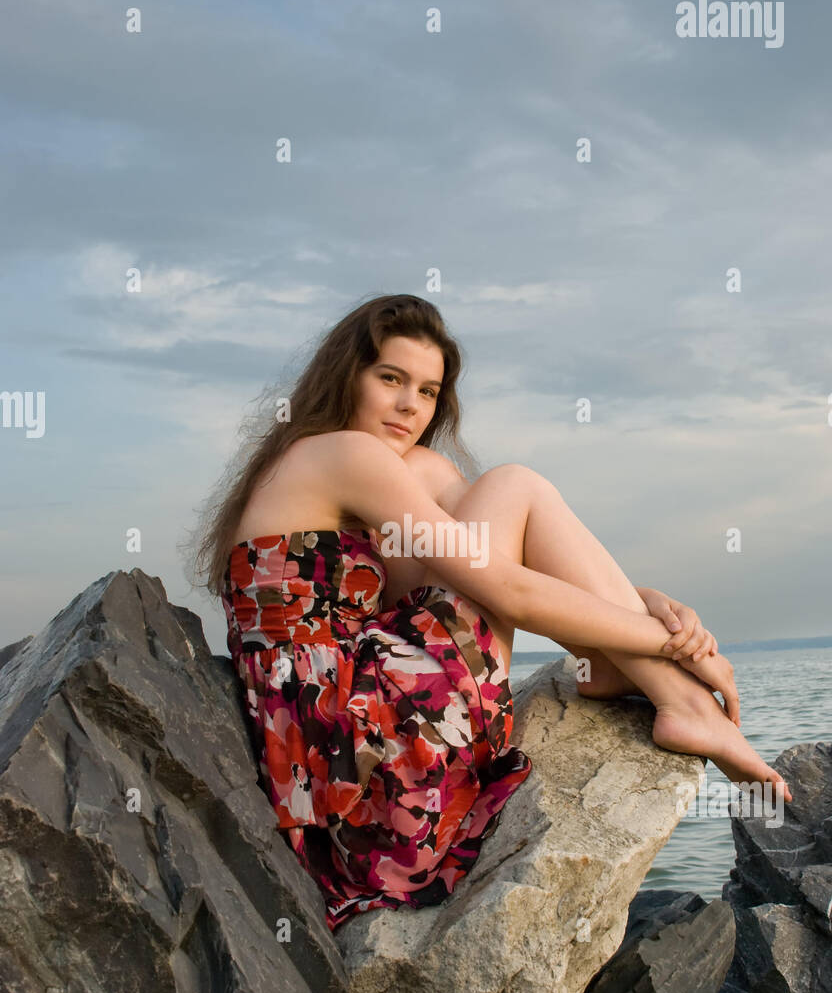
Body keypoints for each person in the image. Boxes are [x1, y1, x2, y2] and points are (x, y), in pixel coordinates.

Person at [188, 293, 792, 933]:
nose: (409, 406)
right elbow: (509, 591)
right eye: (389, 379)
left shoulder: (358, 466)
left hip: (343, 781)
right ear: (347, 375)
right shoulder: (342, 455)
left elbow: (511, 557)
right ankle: (686, 706)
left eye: (426, 391)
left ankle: (627, 671)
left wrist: (644, 601)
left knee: (478, 484)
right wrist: (671, 645)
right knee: (514, 484)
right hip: (379, 763)